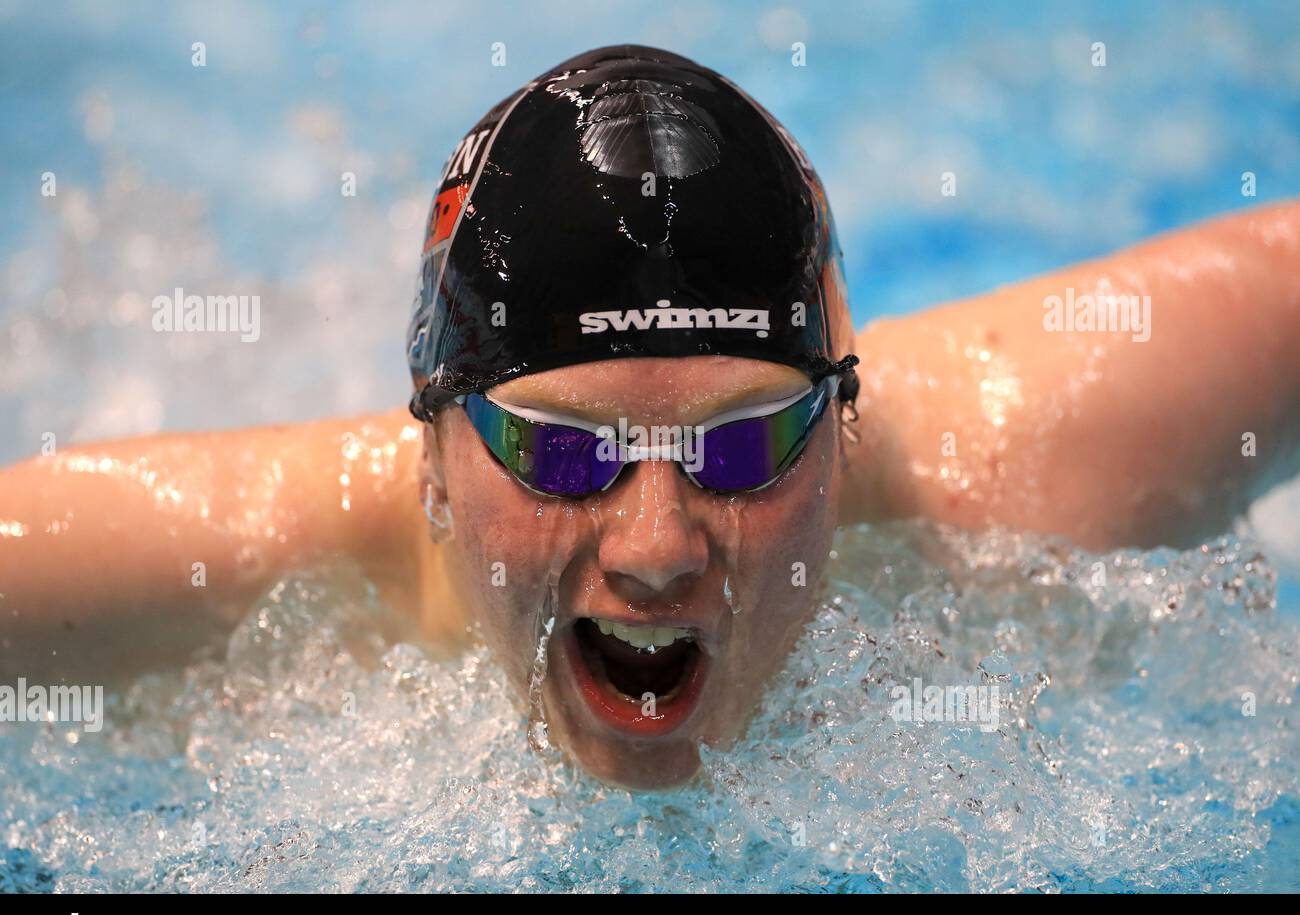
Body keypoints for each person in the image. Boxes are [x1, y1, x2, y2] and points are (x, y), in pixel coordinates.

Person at [1, 45, 1298, 789]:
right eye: (568, 456)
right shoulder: (214, 566)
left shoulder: (1019, 462)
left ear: (843, 417)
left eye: (740, 447)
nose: (660, 546)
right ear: (433, 449)